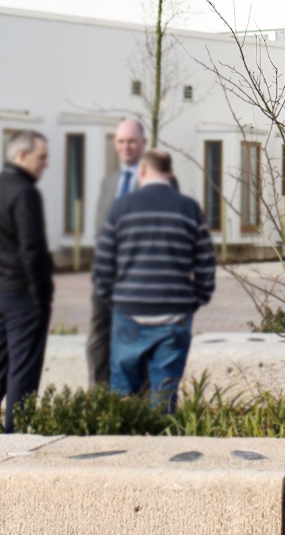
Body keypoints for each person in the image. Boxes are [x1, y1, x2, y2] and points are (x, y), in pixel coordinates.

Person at [93, 149, 215, 407]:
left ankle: (124, 442)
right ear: (170, 173)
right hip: (174, 314)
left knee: (122, 393)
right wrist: (195, 300)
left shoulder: (121, 208)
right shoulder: (189, 209)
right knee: (163, 393)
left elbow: (103, 265)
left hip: (128, 312)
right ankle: (162, 443)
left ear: (143, 171)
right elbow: (206, 263)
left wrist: (112, 299)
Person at [0, 130, 53, 432]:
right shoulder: (24, 192)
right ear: (22, 155)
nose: (45, 164)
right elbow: (32, 249)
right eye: (41, 157)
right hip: (23, 293)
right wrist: (42, 293)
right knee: (23, 368)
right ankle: (15, 435)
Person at [88, 117, 148, 385]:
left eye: (131, 141)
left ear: (143, 144)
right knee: (98, 336)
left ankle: (136, 405)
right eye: (121, 141)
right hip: (106, 277)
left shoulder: (156, 182)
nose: (126, 147)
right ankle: (99, 400)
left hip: (139, 280)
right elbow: (99, 230)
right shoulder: (109, 182)